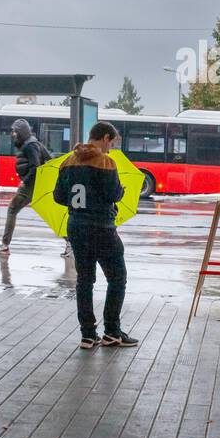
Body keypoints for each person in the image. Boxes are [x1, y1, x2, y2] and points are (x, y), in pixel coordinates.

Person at [54, 121, 137, 349]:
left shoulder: (68, 162)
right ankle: (112, 331)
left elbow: (59, 197)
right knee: (117, 278)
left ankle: (88, 335)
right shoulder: (105, 162)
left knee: (84, 280)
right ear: (106, 138)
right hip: (102, 228)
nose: (110, 148)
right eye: (111, 143)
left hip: (76, 227)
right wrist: (120, 191)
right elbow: (113, 193)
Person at [0, 118, 50, 254]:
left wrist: (25, 181)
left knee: (12, 209)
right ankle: (69, 242)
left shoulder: (30, 146)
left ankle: (5, 244)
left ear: (21, 132)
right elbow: (46, 159)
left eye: (15, 131)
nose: (13, 134)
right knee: (47, 212)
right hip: (36, 185)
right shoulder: (34, 143)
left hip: (29, 185)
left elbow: (36, 167)